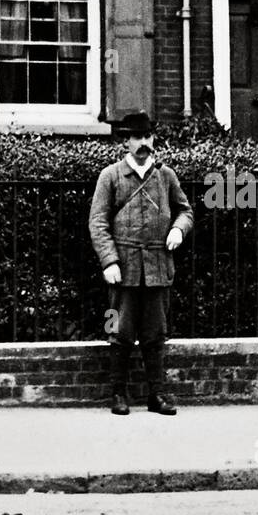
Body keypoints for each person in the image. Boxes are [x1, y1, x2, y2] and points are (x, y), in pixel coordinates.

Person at [88, 110, 194, 416]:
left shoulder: (166, 176)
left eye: (147, 136)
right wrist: (109, 261)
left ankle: (157, 396)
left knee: (155, 334)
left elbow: (185, 211)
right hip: (123, 270)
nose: (143, 143)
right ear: (126, 142)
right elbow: (98, 223)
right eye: (137, 137)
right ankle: (118, 394)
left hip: (159, 268)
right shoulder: (110, 176)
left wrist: (178, 229)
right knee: (118, 332)